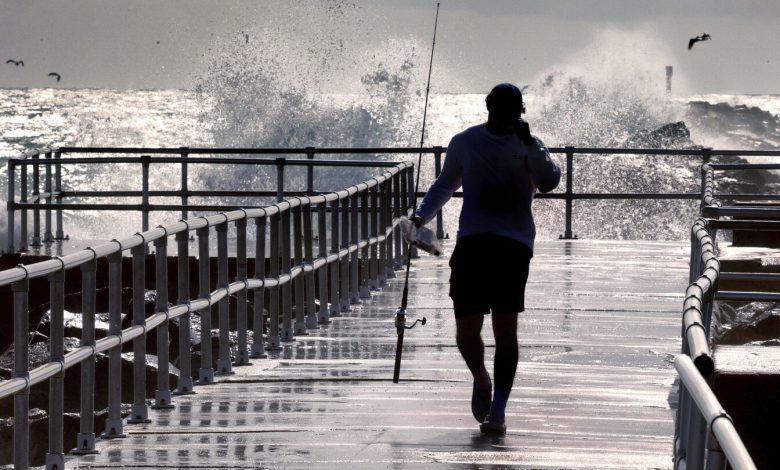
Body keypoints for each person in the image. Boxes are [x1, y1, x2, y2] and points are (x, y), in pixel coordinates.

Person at [411, 83, 560, 435]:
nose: (507, 117)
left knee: (505, 329)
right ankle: (481, 379)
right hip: (473, 242)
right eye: (501, 109)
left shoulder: (530, 144)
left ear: (520, 113)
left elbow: (550, 181)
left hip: (514, 245)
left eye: (513, 112)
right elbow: (445, 185)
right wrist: (420, 218)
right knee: (466, 328)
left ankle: (499, 410)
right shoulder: (465, 142)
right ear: (488, 107)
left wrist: (531, 144)